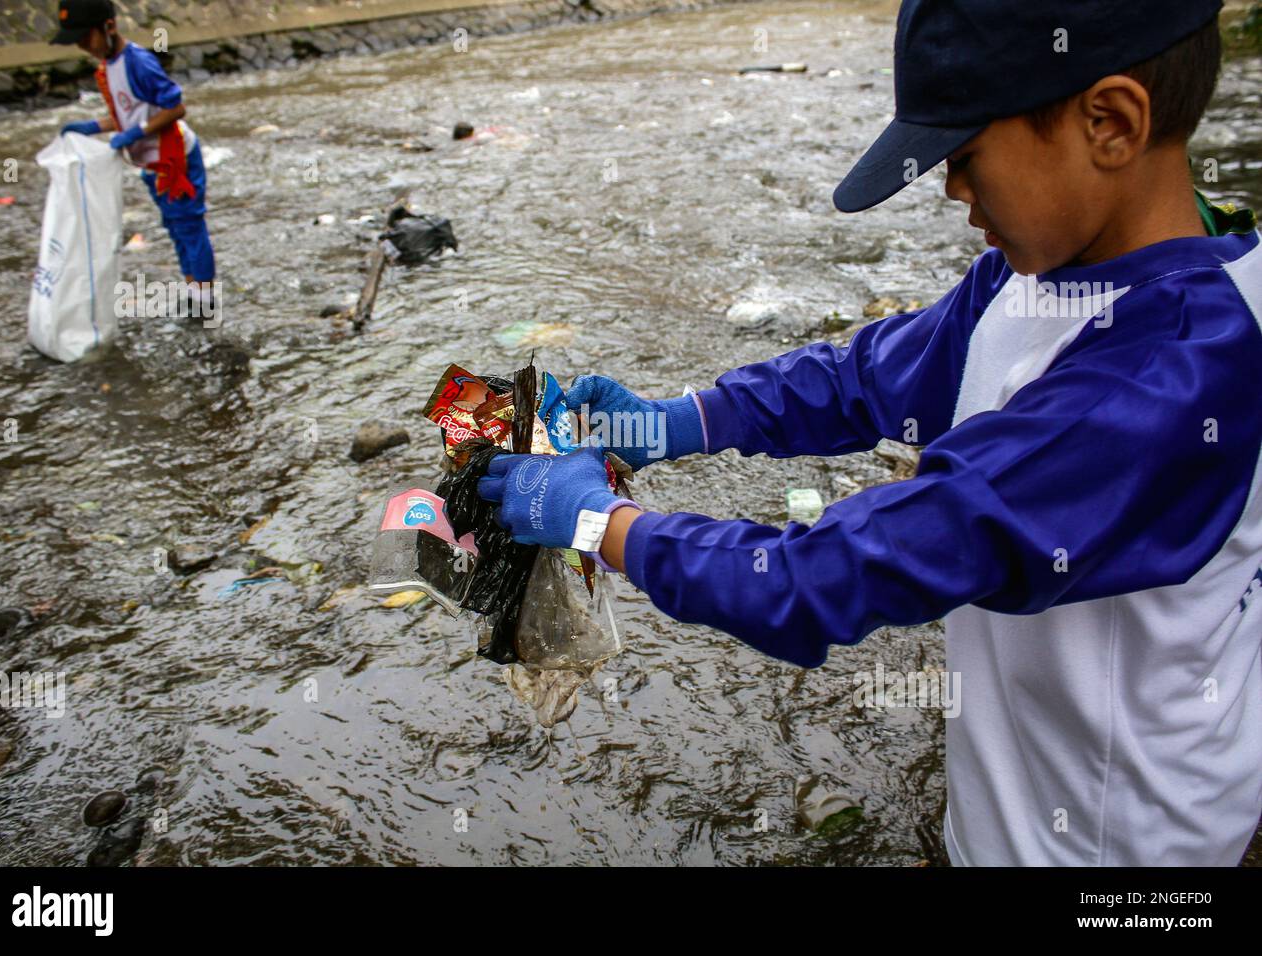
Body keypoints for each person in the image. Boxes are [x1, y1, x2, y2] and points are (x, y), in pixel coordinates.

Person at [477, 0, 1262, 866]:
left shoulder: (1175, 380)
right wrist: (674, 422)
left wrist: (600, 524)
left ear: (1109, 123)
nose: (954, 191)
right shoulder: (1032, 277)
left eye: (965, 157)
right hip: (1016, 810)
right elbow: (859, 378)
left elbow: (822, 576)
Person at [52, 0, 216, 316]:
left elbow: (175, 108)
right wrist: (93, 127)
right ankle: (193, 289)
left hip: (175, 159)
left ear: (109, 27)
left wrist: (136, 132)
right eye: (79, 42)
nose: (84, 47)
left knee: (189, 226)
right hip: (151, 162)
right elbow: (128, 115)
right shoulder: (107, 69)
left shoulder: (138, 62)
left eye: (87, 38)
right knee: (174, 226)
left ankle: (206, 301)